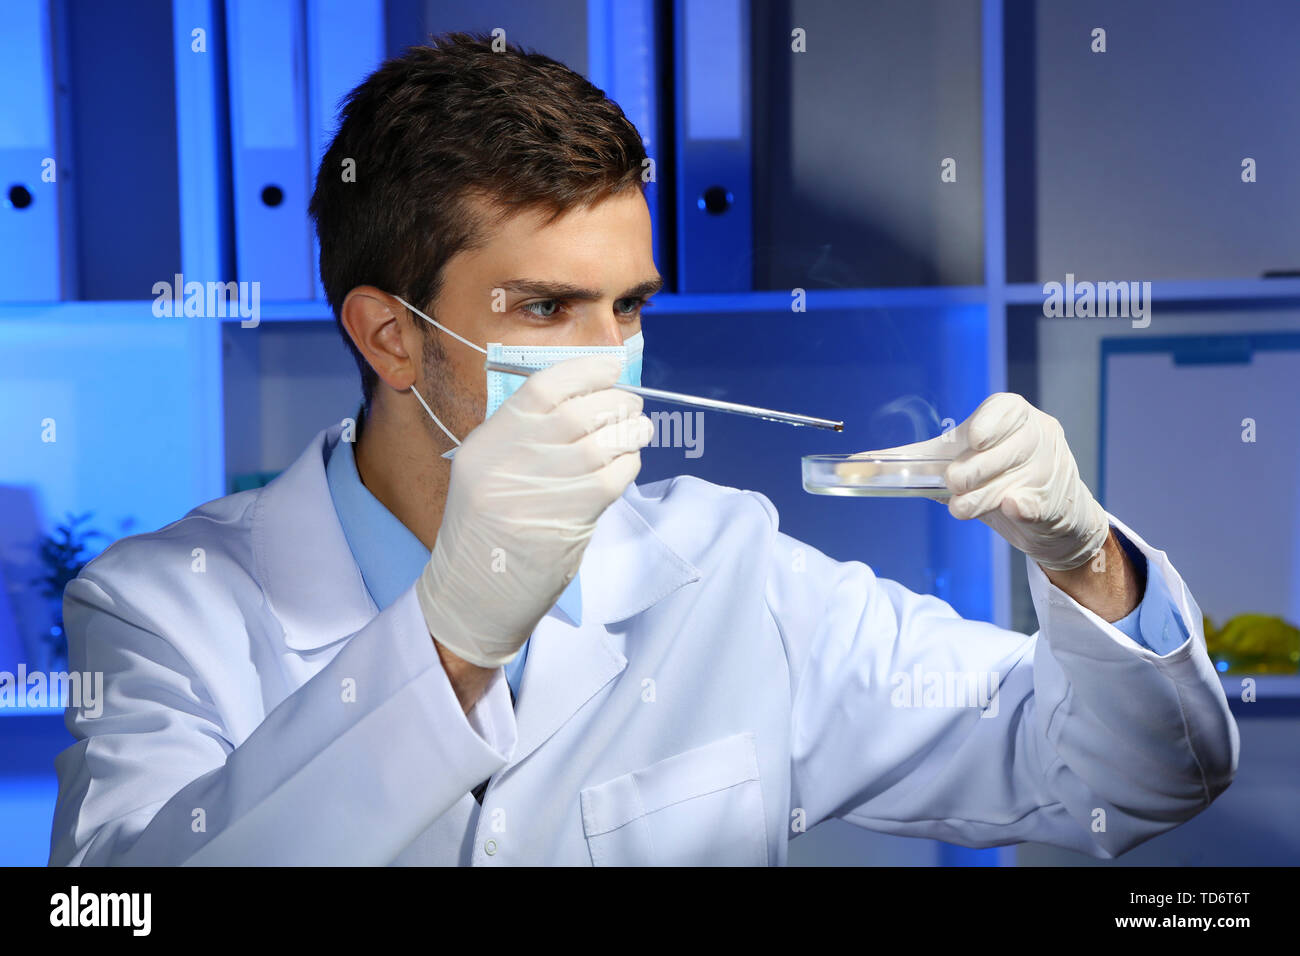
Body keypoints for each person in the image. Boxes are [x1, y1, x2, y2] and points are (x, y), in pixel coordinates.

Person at [48, 32, 1237, 866]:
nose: (609, 353)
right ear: (391, 336)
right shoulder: (168, 608)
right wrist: (451, 639)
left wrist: (1087, 564)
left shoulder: (727, 570)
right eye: (544, 307)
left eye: (628, 307)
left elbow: (1132, 782)